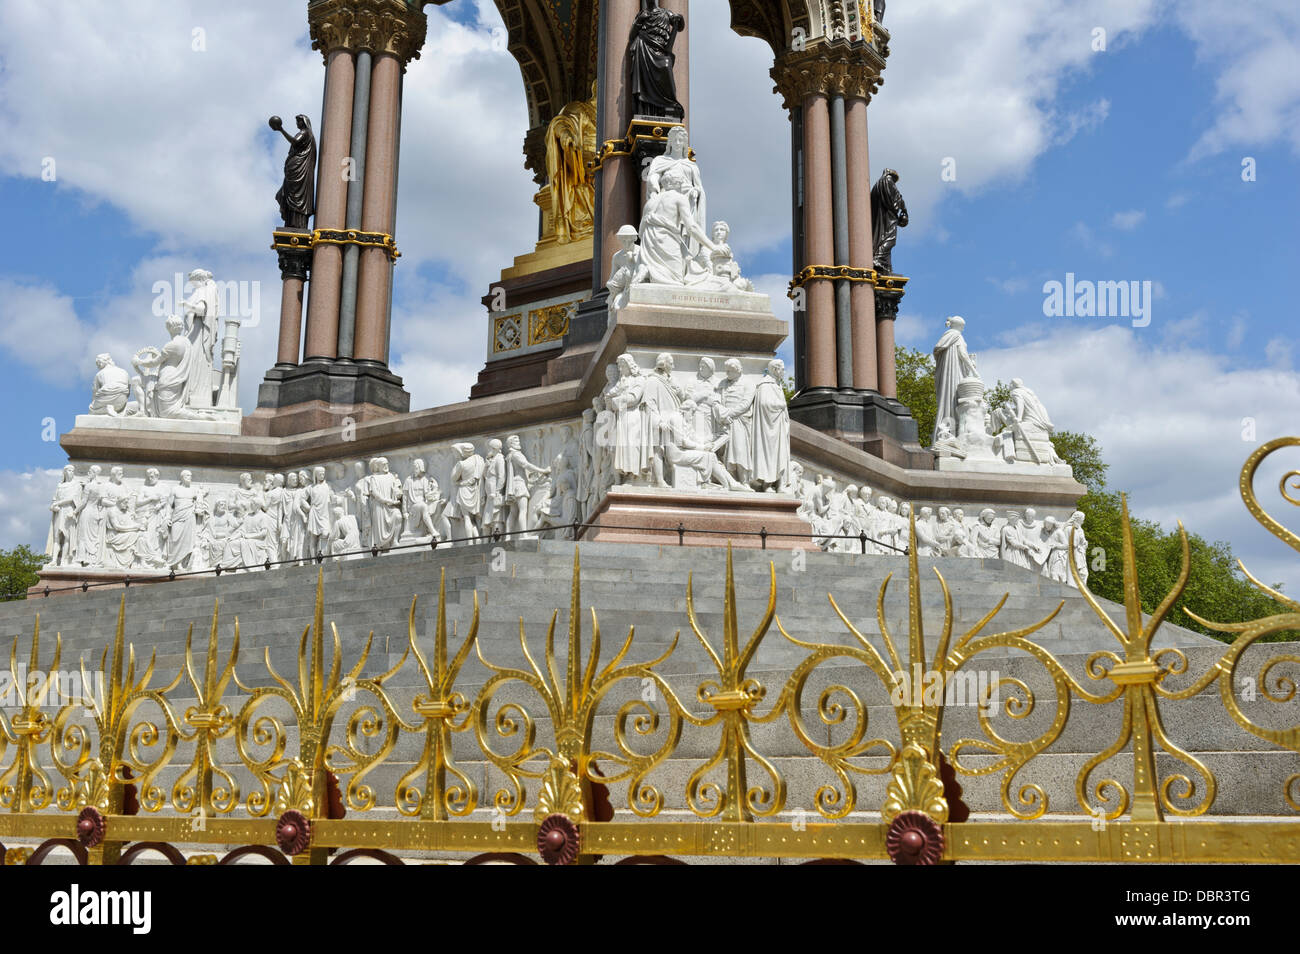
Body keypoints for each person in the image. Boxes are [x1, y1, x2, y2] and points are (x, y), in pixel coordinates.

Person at [637, 168, 718, 285]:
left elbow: (641, 231)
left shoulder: (650, 202)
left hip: (649, 242)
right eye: (680, 182)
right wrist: (713, 247)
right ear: (674, 183)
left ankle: (648, 270)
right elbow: (691, 227)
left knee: (658, 281)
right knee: (676, 281)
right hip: (667, 240)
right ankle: (649, 272)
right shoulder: (679, 198)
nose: (681, 185)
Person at [628, 1, 686, 120]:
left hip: (661, 50)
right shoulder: (643, 14)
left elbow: (679, 26)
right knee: (644, 79)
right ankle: (646, 110)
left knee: (666, 68)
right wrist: (639, 21)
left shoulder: (665, 13)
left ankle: (670, 105)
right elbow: (631, 36)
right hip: (644, 48)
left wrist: (680, 19)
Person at [270, 113, 316, 230]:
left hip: (299, 169)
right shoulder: (307, 134)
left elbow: (295, 141)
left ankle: (297, 224)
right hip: (295, 169)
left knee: (296, 195)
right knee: (290, 194)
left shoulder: (305, 132)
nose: (297, 124)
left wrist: (281, 129)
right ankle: (292, 222)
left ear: (304, 122)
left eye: (299, 121)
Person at [870, 167, 907, 274]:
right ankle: (878, 258)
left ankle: (882, 261)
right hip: (888, 218)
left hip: (879, 218)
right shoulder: (888, 181)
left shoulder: (876, 186)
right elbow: (896, 200)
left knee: (881, 238)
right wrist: (903, 210)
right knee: (890, 239)